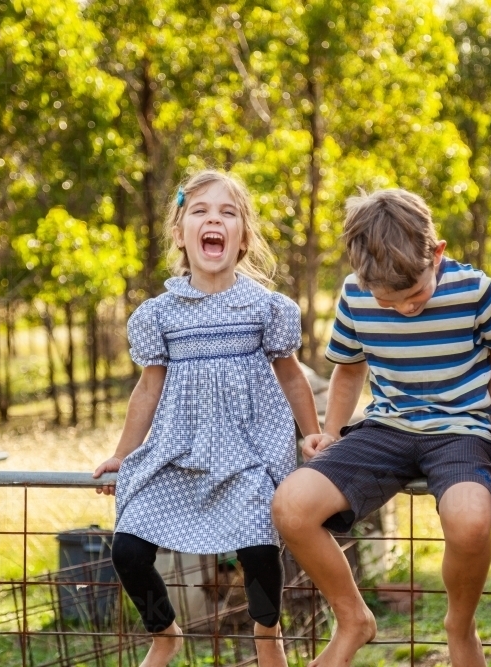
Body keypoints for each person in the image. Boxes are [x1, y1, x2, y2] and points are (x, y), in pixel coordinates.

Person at [272, 188, 491, 667]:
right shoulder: (356, 293)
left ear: (436, 255)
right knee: (291, 506)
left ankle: (460, 626)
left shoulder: (474, 290)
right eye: (389, 301)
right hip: (386, 427)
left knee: (470, 520)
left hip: (460, 429)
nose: (406, 309)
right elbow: (350, 368)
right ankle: (354, 617)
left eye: (415, 294)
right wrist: (331, 431)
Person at [93, 169, 321, 667]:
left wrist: (314, 436)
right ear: (180, 233)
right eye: (199, 211)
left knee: (260, 549)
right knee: (129, 550)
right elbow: (147, 387)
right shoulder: (159, 314)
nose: (212, 220)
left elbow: (291, 375)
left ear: (242, 239)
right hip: (177, 453)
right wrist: (121, 456)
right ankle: (165, 633)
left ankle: (267, 635)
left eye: (227, 212)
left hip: (248, 455)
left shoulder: (266, 308)